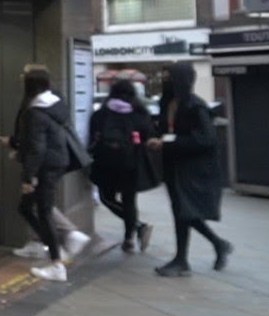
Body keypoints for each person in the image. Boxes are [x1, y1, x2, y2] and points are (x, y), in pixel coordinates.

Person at [149, 61, 232, 277]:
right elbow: (166, 129)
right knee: (182, 212)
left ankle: (184, 258)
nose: (164, 81)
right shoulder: (168, 103)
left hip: (193, 169)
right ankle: (210, 247)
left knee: (185, 212)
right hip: (175, 167)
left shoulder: (195, 106)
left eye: (169, 77)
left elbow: (206, 139)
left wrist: (168, 143)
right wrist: (157, 138)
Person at [0, 65, 73, 282]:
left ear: (29, 85)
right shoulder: (54, 104)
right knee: (26, 207)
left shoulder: (35, 112)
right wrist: (15, 144)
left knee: (45, 211)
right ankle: (47, 246)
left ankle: (57, 263)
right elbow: (37, 141)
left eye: (24, 78)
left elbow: (37, 147)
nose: (20, 79)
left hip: (46, 167)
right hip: (56, 162)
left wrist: (28, 178)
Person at [88, 78, 156, 253]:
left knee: (106, 197)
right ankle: (129, 239)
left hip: (106, 163)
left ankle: (139, 227)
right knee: (129, 200)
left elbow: (93, 135)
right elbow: (148, 134)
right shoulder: (139, 112)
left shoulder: (102, 113)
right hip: (132, 163)